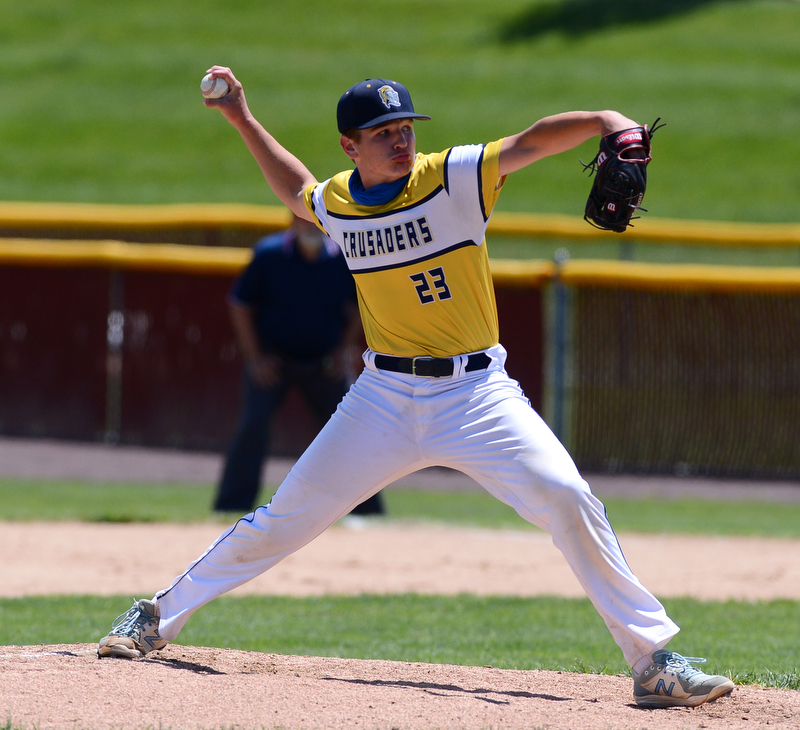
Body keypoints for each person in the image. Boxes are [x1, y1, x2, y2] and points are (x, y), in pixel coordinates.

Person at [98, 66, 734, 709]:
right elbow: (299, 191)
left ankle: (653, 662)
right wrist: (242, 120)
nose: (400, 140)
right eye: (382, 133)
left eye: (405, 127)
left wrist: (606, 121)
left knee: (567, 497)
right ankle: (155, 615)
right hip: (383, 399)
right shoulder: (341, 203)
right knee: (284, 518)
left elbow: (533, 141)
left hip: (478, 395)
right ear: (351, 146)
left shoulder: (452, 176)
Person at [213, 213, 384, 517]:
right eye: (302, 218)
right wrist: (255, 359)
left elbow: (362, 304)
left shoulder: (342, 257)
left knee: (351, 433)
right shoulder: (269, 254)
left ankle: (367, 511)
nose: (309, 225)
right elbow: (240, 304)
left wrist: (344, 349)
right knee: (252, 426)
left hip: (325, 363)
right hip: (274, 362)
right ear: (291, 220)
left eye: (316, 220)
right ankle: (230, 505)